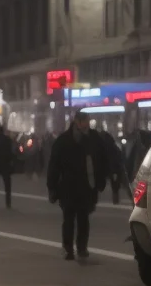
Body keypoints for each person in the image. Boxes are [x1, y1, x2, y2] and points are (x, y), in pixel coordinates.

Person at [47, 111, 108, 261]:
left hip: (87, 186)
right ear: (76, 122)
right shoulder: (64, 140)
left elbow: (102, 161)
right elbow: (54, 165)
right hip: (68, 186)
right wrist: (52, 186)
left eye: (87, 122)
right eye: (83, 122)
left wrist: (101, 182)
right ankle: (68, 249)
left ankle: (82, 247)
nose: (85, 125)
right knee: (68, 219)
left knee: (83, 218)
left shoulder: (94, 139)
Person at [98, 129, 127, 205]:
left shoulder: (104, 146)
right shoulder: (112, 146)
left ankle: (115, 198)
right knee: (115, 184)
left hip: (111, 167)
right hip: (114, 167)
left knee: (114, 183)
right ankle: (115, 198)